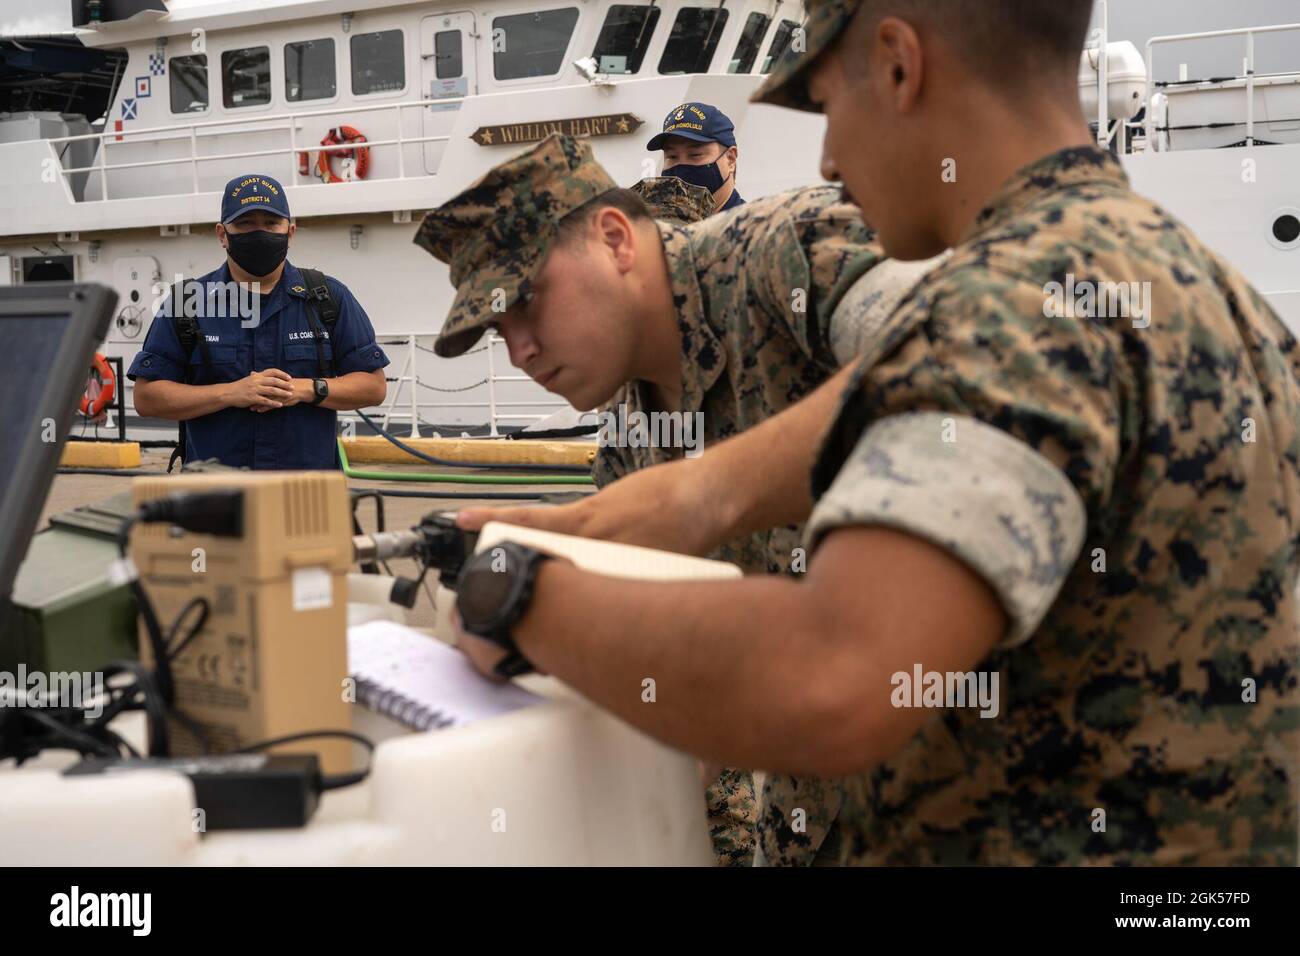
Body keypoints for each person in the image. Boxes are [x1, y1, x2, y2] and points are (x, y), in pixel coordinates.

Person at [451, 0, 1300, 866]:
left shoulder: (1004, 307)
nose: (826, 160)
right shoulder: (1206, 285)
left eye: (824, 106)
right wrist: (660, 508)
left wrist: (516, 596)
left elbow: (835, 681)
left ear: (898, 65)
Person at [415, 131, 936, 864]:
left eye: (526, 302)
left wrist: (705, 495)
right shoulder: (630, 425)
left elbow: (952, 362)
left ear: (615, 238)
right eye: (499, 330)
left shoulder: (784, 250)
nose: (520, 350)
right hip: (814, 815)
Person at [129, 173, 388, 470]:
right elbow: (147, 397)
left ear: (290, 232)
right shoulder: (187, 302)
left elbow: (373, 386)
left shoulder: (328, 298)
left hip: (307, 497)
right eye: (245, 223)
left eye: (270, 223)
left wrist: (304, 389)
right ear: (222, 234)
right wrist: (230, 393)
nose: (260, 233)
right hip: (215, 499)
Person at [648, 102, 745, 212]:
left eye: (695, 155)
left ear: (730, 159)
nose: (681, 169)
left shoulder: (755, 227)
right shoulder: (655, 226)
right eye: (672, 157)